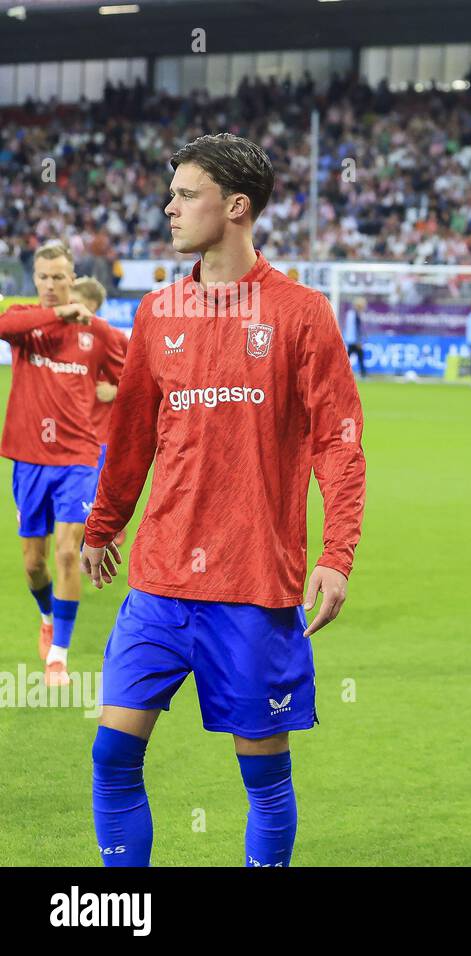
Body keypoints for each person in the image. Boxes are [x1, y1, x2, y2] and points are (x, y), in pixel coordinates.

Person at [81, 133, 367, 867]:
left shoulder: (303, 314)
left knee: (263, 782)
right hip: (158, 581)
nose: (168, 206)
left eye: (185, 194)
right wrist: (104, 524)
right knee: (112, 757)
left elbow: (338, 442)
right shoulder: (157, 313)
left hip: (252, 588)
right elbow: (133, 433)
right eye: (171, 192)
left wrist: (337, 555)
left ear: (235, 207)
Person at [1, 241, 123, 686]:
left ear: (74, 280)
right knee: (34, 564)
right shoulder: (26, 324)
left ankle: (59, 656)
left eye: (59, 277)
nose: (51, 285)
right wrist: (58, 314)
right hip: (29, 460)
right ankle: (48, 614)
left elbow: (137, 370)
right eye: (44, 277)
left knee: (69, 552)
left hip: (78, 458)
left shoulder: (98, 334)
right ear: (35, 280)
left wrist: (117, 393)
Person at [70, 276, 130, 548]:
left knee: (99, 495)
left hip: (103, 434)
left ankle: (102, 543)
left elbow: (140, 380)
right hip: (72, 433)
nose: (69, 306)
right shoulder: (64, 338)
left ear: (92, 304)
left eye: (75, 300)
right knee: (76, 496)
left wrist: (114, 391)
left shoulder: (113, 337)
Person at [342, 296, 367, 378]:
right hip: (355, 340)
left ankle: (343, 373)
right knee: (359, 357)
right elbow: (356, 329)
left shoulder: (350, 313)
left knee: (347, 358)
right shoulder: (356, 315)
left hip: (350, 339)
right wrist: (359, 341)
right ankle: (363, 374)